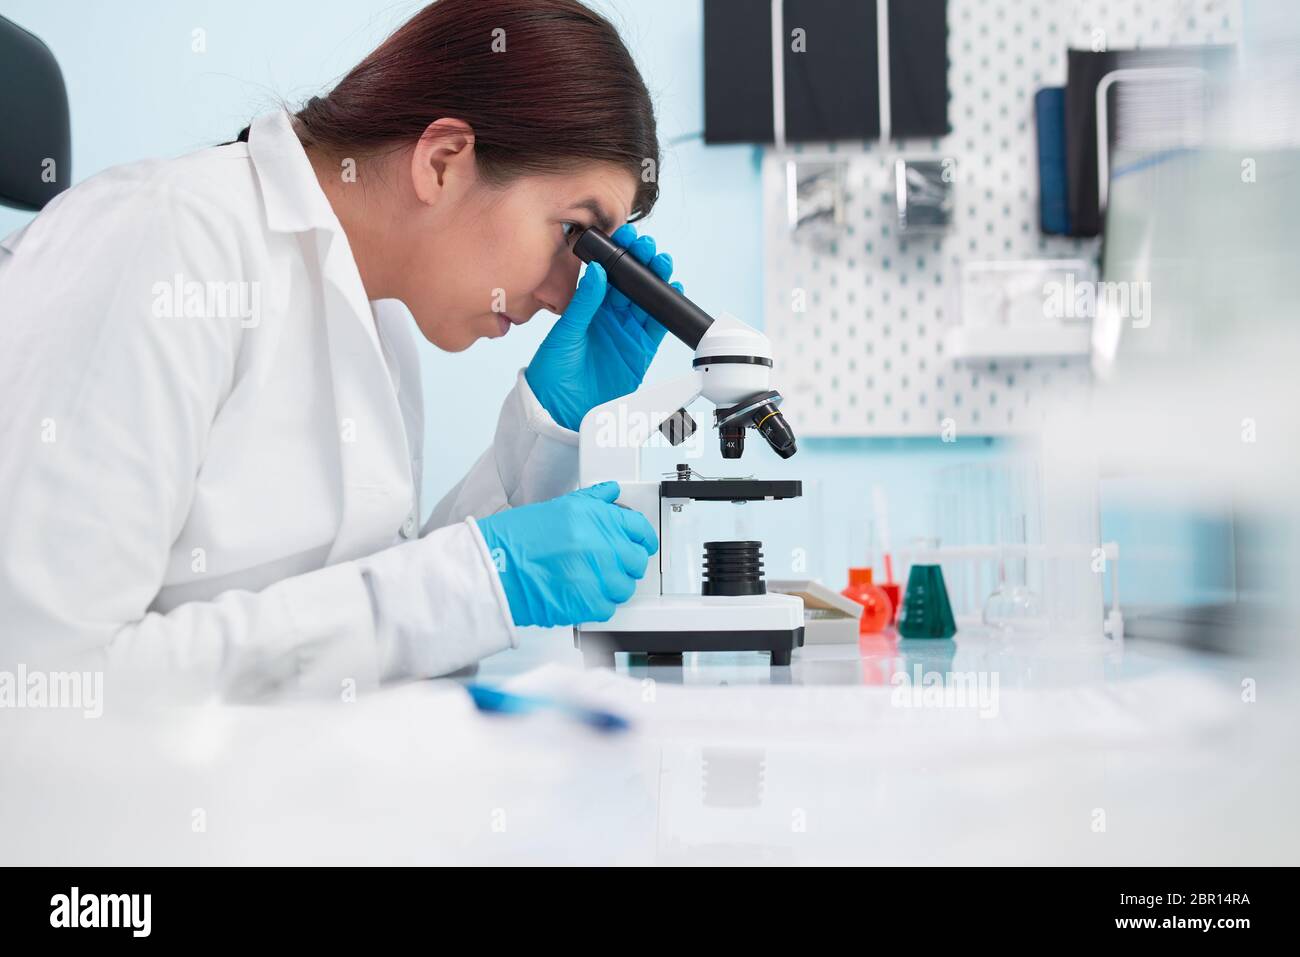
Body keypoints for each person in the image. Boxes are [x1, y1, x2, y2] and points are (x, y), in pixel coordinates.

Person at [0, 0, 678, 696]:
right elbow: (44, 681)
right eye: (574, 235)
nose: (571, 296)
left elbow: (359, 624)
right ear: (443, 161)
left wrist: (547, 434)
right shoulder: (167, 239)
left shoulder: (375, 310)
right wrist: (484, 578)